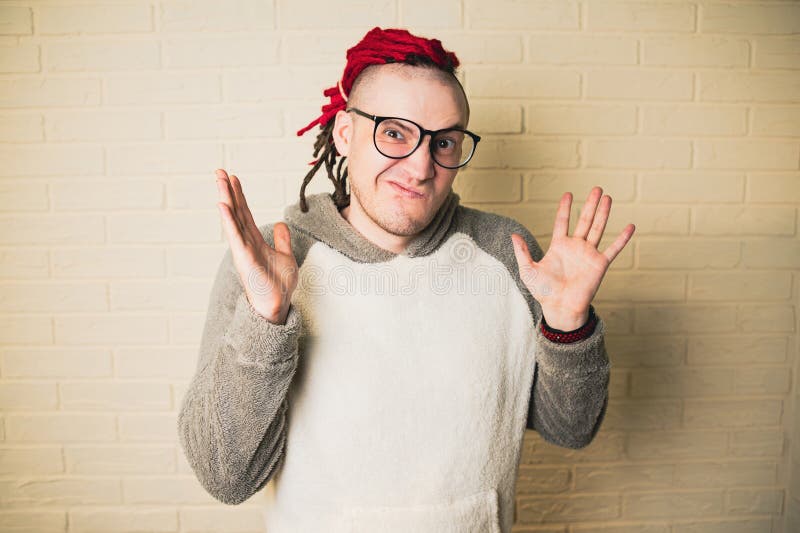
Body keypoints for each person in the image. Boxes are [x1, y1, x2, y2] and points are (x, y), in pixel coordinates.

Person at [177, 27, 635, 533]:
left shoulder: (510, 255)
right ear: (346, 134)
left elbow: (571, 428)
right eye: (395, 132)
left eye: (444, 142)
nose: (420, 167)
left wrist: (568, 327)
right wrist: (266, 320)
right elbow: (225, 476)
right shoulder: (270, 259)